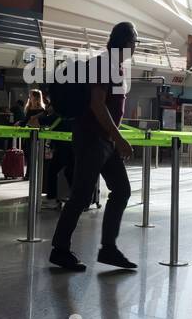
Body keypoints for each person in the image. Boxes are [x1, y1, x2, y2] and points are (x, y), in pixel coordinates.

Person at [50, 22, 137, 272]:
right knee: (81, 195)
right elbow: (97, 105)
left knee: (121, 190)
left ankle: (108, 248)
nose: (135, 47)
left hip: (104, 140)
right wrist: (119, 138)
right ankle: (60, 249)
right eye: (135, 42)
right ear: (126, 41)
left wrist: (113, 138)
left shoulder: (116, 66)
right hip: (92, 138)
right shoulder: (104, 63)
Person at [18, 89, 46, 181]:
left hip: (38, 134)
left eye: (31, 96)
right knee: (30, 154)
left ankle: (35, 174)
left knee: (38, 155)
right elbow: (26, 121)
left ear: (36, 97)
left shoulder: (42, 110)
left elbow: (40, 123)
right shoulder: (29, 109)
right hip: (30, 133)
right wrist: (20, 123)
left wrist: (21, 123)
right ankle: (29, 174)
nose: (29, 97)